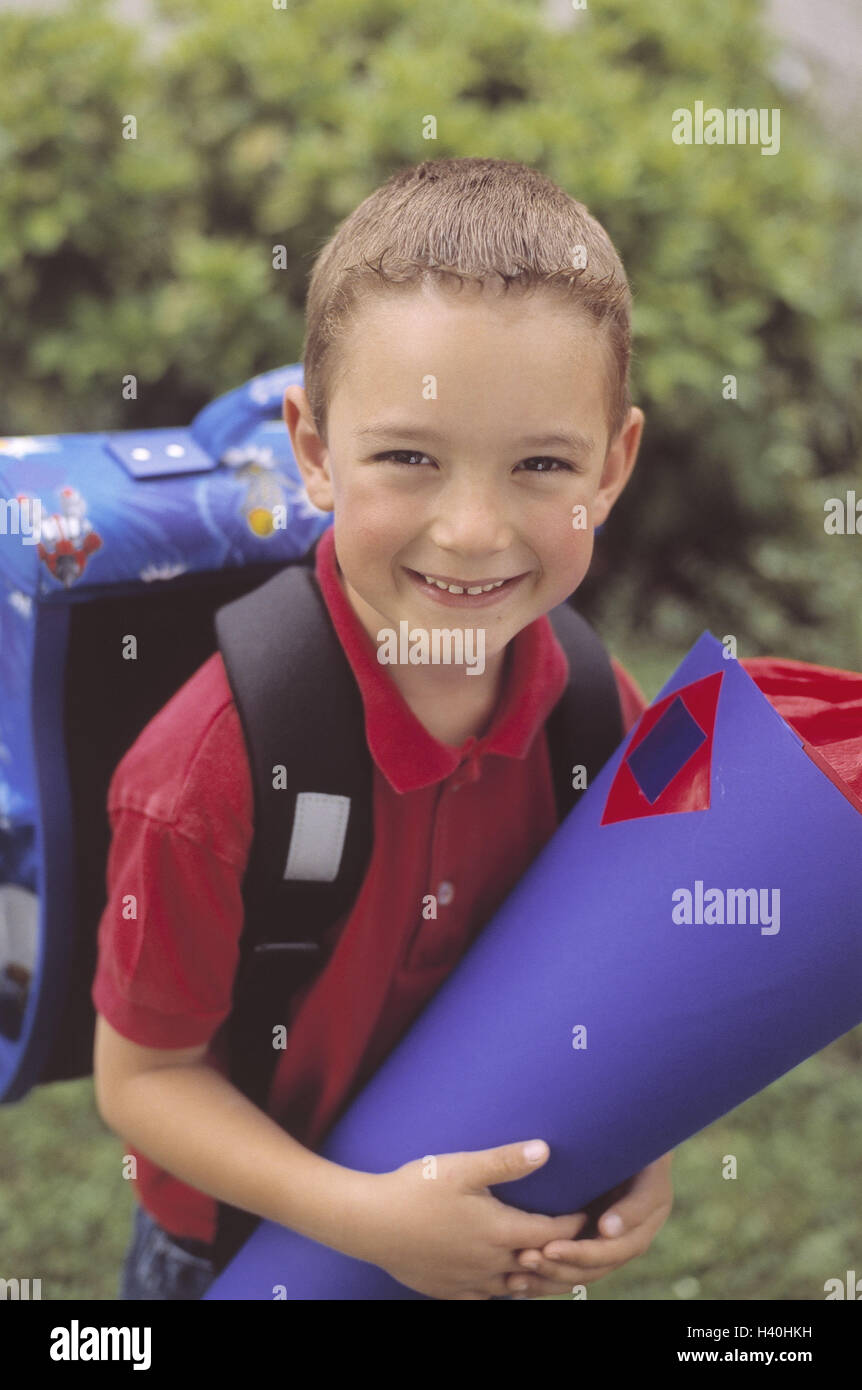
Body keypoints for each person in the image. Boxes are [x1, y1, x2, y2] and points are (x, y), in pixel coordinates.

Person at [92, 156, 674, 1301]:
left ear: (610, 469)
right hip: (239, 1253)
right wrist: (365, 1220)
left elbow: (623, 983)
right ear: (312, 449)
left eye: (541, 464)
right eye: (410, 456)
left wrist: (637, 1153)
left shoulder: (606, 723)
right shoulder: (208, 771)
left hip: (483, 1248)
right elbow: (144, 1080)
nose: (470, 529)